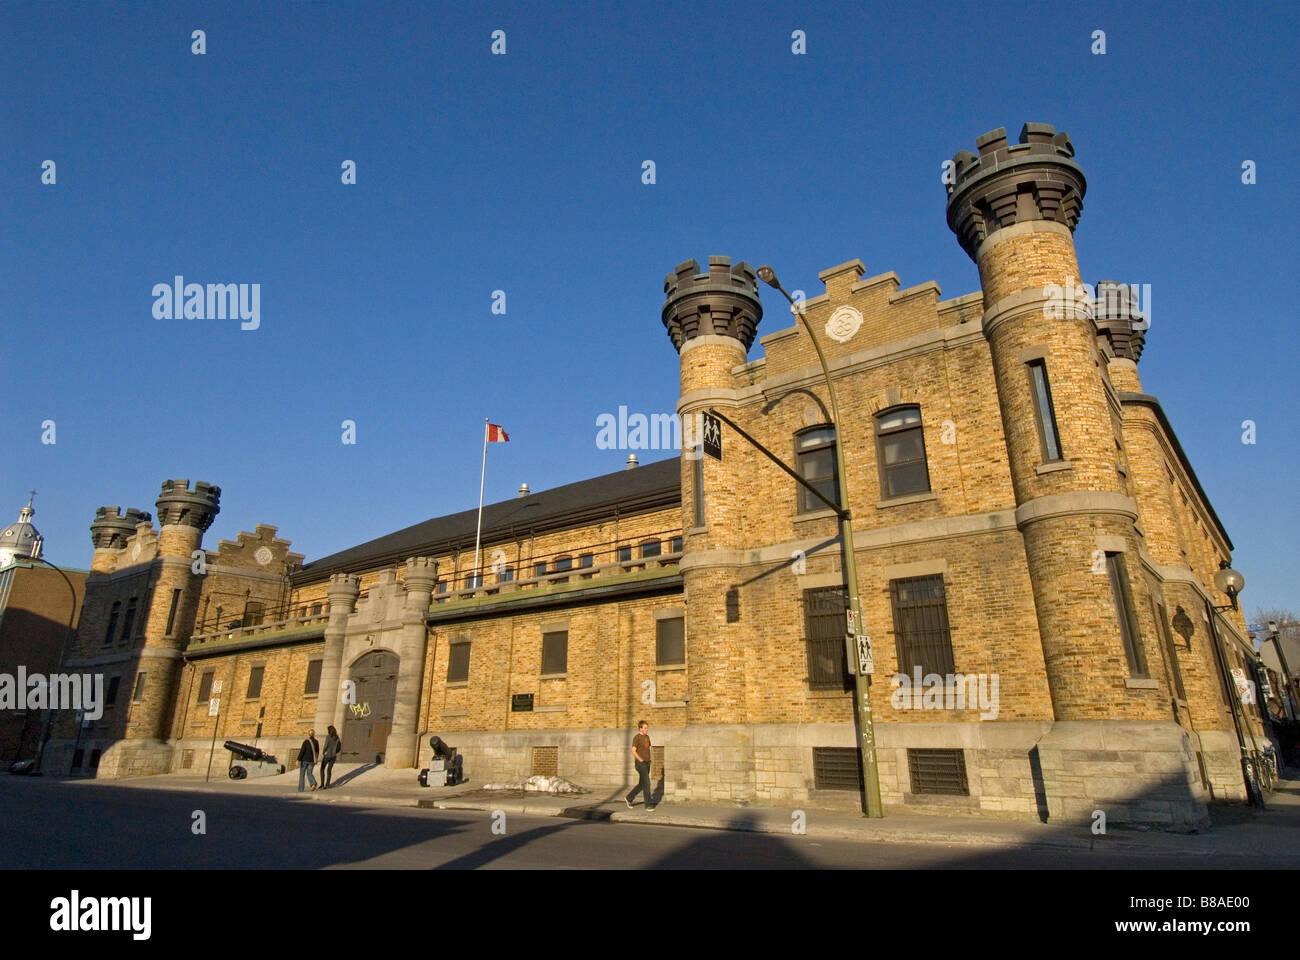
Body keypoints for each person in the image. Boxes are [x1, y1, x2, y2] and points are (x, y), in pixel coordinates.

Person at [624, 720, 655, 811]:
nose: (647, 729)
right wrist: (640, 760)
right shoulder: (636, 737)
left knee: (642, 784)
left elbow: (648, 749)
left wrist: (650, 759)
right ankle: (648, 805)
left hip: (647, 763)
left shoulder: (647, 737)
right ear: (640, 729)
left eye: (647, 728)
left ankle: (629, 798)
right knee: (647, 783)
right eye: (645, 728)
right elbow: (633, 751)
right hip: (640, 764)